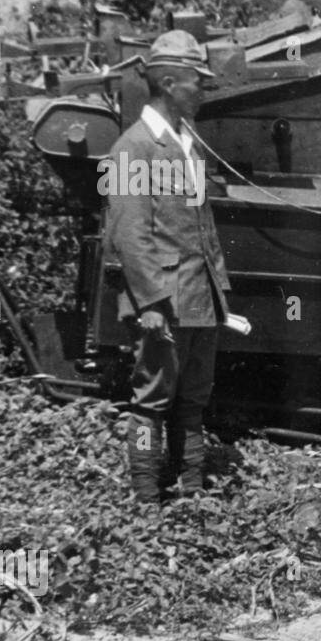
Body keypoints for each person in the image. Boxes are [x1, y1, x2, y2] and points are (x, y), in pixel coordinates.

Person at [102, 30, 231, 503]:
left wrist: (220, 291)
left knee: (193, 400)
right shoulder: (132, 147)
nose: (203, 90)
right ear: (171, 82)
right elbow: (130, 234)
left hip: (200, 297)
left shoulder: (185, 142)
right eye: (198, 81)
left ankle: (193, 488)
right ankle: (145, 494)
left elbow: (203, 224)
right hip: (165, 300)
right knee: (151, 402)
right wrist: (151, 302)